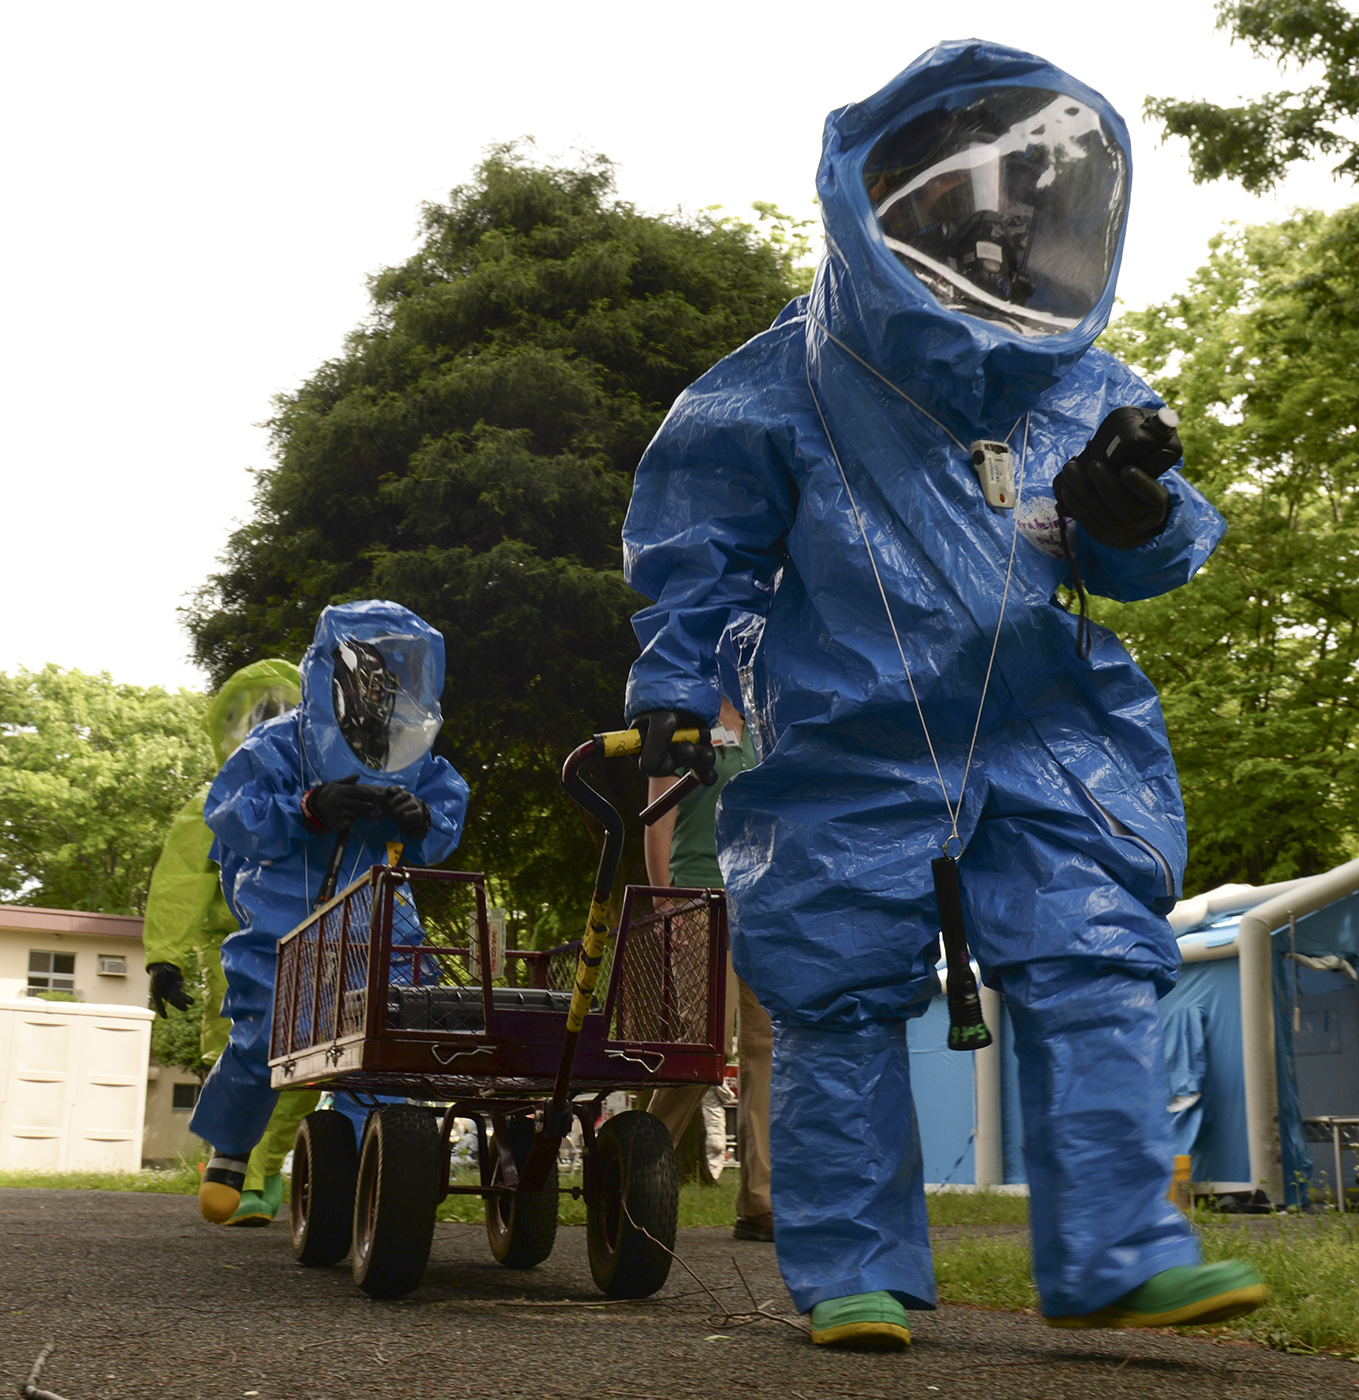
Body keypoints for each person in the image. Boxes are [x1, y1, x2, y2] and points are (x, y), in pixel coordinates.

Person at [620, 40, 1264, 1350]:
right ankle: (855, 1271)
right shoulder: (777, 385)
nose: (994, 243)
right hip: (850, 740)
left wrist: (1131, 518)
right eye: (962, 215)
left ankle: (1122, 1251)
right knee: (839, 989)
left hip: (1051, 727)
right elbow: (698, 551)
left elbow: (1165, 544)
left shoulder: (1080, 380)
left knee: (1095, 964)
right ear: (880, 207)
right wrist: (679, 685)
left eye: (1020, 217)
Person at [189, 600, 470, 1224]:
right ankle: (231, 1145)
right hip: (283, 914)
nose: (380, 684)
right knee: (264, 1032)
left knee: (382, 1034)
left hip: (380, 916)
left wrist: (421, 820)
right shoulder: (277, 743)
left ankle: (362, 1166)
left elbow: (445, 808)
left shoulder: (407, 748)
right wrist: (309, 808)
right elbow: (230, 813)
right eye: (368, 669)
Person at [143, 661, 311, 1224]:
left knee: (307, 1066)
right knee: (246, 1053)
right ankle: (241, 1166)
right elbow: (180, 882)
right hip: (236, 948)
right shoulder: (211, 804)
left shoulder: (321, 804)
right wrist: (163, 957)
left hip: (319, 945)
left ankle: (261, 1172)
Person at [642, 697, 773, 1242]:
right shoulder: (684, 725)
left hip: (760, 901)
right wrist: (663, 901)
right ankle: (636, 1169)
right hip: (698, 897)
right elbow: (656, 821)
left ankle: (760, 1201)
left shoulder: (766, 721)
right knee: (706, 1045)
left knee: (765, 1045)